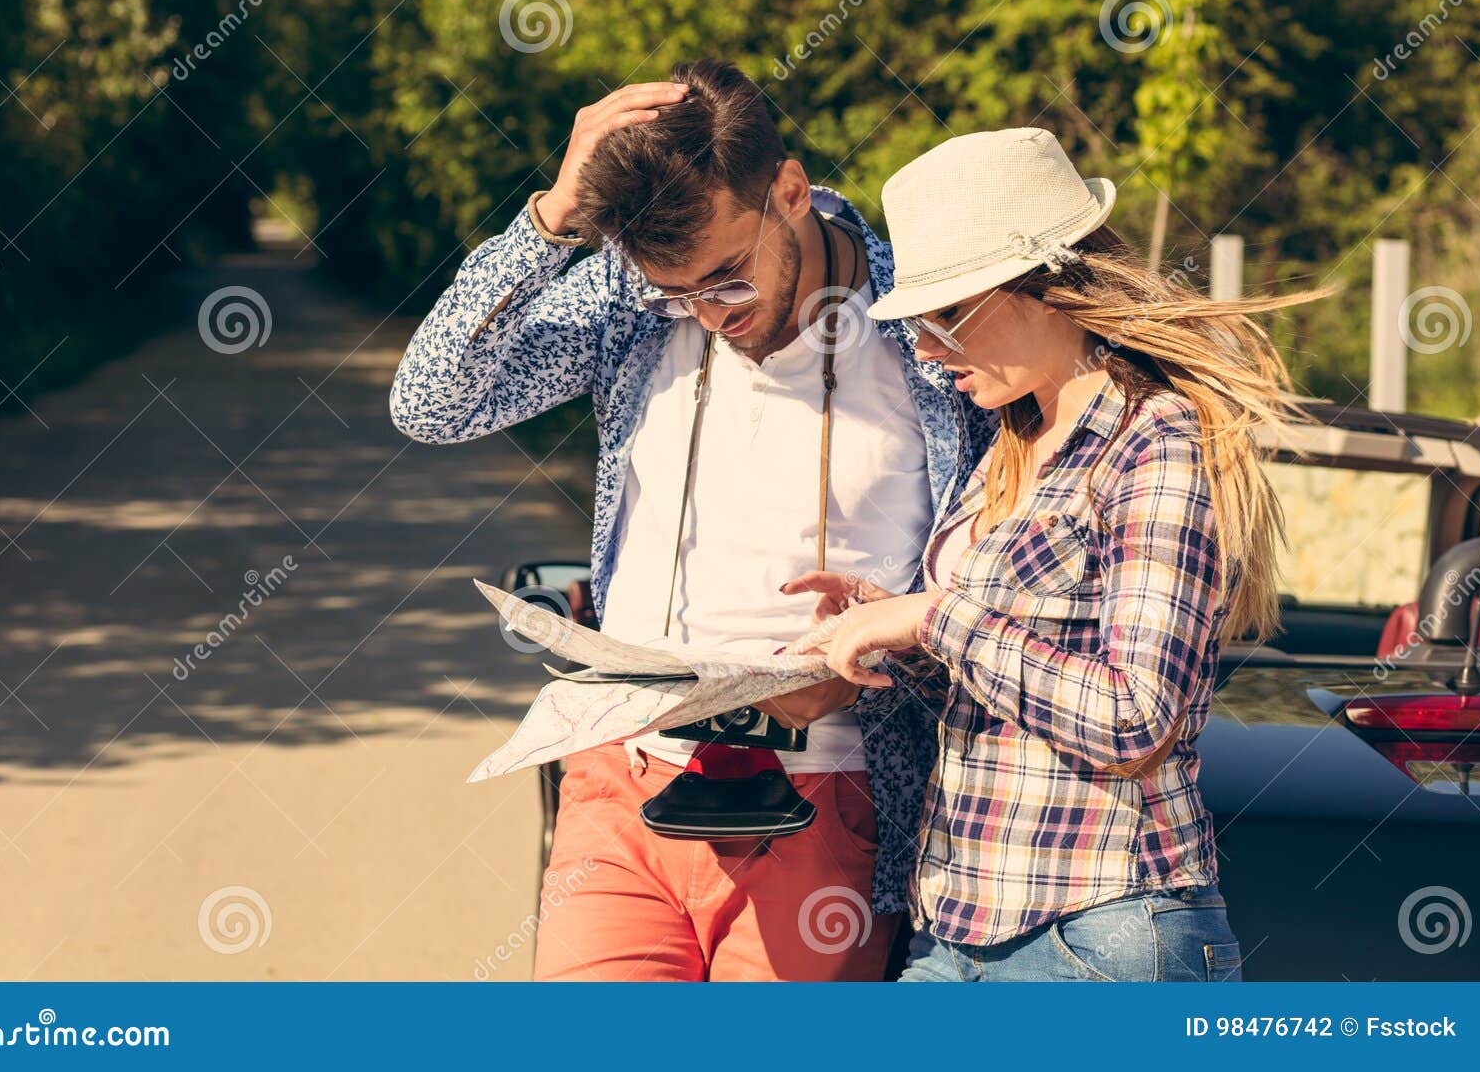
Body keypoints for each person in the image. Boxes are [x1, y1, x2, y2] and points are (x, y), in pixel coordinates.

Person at [389, 59, 987, 980]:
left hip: (833, 794)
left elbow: (1000, 577)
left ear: (790, 190)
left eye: (727, 280)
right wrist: (549, 218)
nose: (707, 314)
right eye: (679, 293)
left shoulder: (925, 329)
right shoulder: (634, 306)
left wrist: (887, 666)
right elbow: (432, 402)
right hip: (621, 784)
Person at [785, 127, 1321, 981]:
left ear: (1046, 288)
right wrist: (887, 631)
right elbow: (999, 685)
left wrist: (931, 613)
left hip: (1101, 933)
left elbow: (1138, 716)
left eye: (947, 314)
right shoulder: (1012, 440)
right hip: (960, 926)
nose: (925, 349)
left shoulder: (1156, 443)